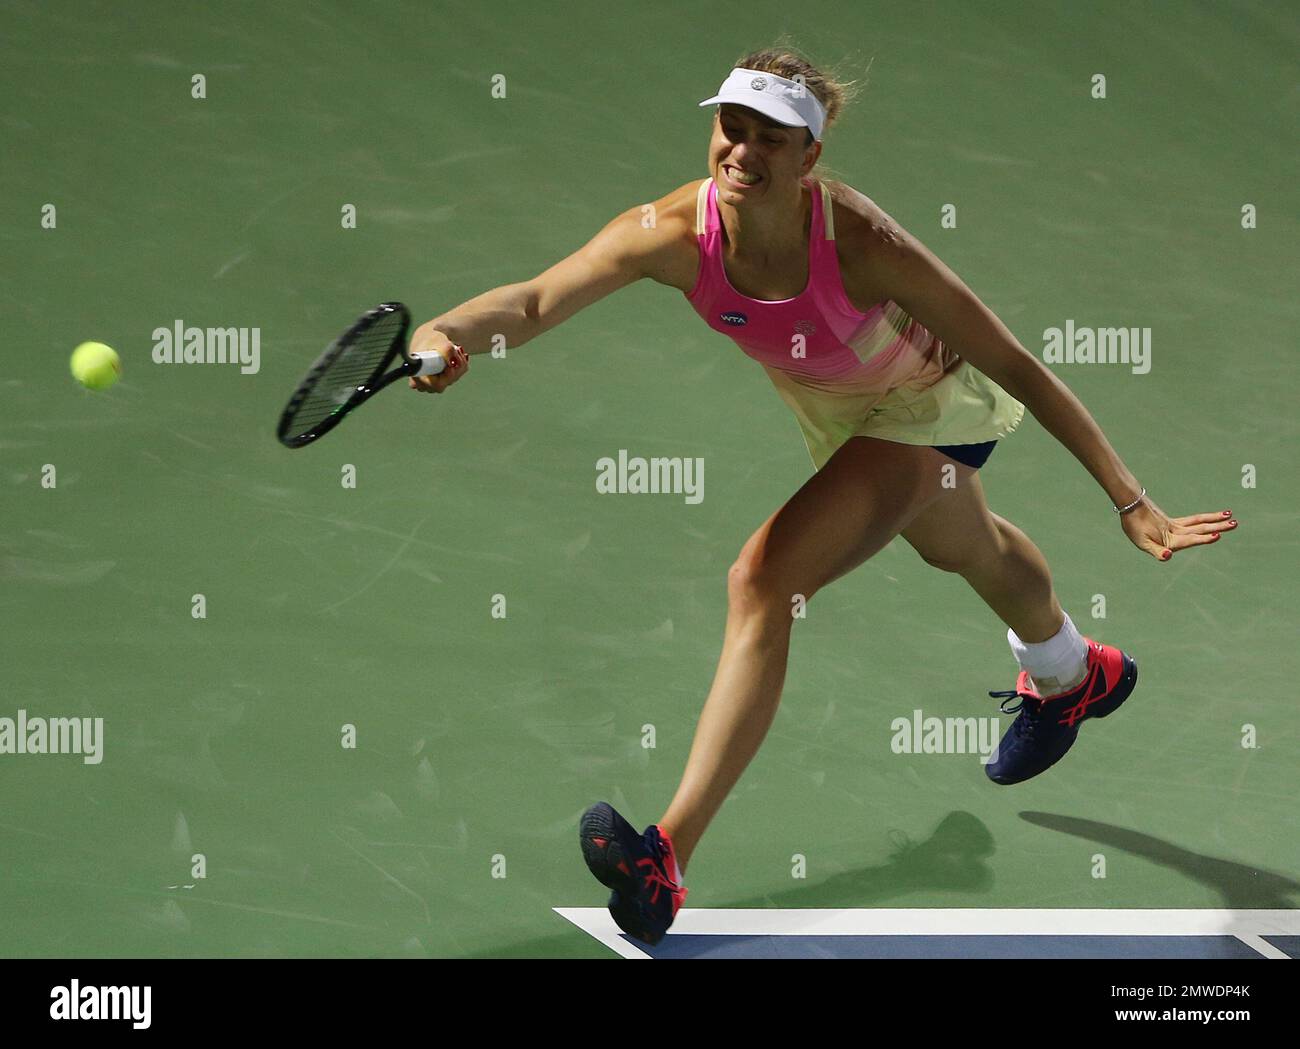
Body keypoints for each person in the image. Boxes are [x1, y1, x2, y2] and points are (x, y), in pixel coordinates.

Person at [406, 47, 1238, 946]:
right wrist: (449, 331)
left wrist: (1128, 498)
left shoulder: (865, 246)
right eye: (732, 127)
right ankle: (1074, 672)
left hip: (927, 405)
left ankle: (664, 858)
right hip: (841, 409)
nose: (742, 151)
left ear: (810, 156)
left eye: (772, 138)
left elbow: (1014, 363)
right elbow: (535, 302)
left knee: (762, 580)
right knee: (966, 545)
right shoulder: (671, 232)